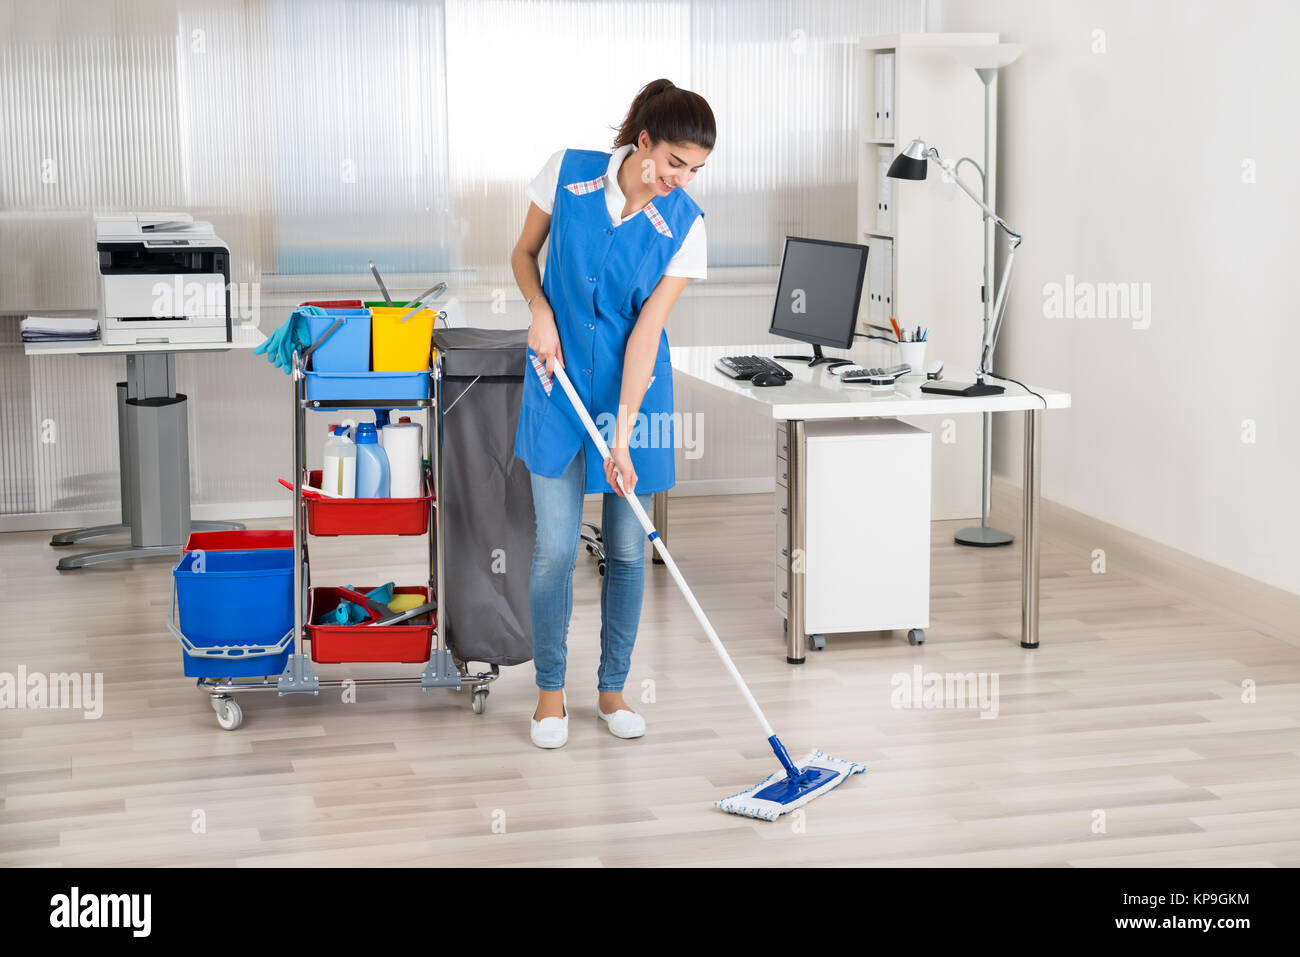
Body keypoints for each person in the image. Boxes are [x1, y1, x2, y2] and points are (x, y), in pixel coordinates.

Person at [511, 78, 715, 749]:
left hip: (635, 393)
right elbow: (523, 254)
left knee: (628, 549)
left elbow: (647, 331)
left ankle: (612, 689)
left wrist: (623, 434)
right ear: (644, 142)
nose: (681, 181)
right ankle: (549, 696)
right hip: (556, 382)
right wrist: (540, 311)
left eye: (696, 170)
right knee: (557, 549)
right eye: (675, 163)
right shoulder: (565, 173)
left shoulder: (685, 227)